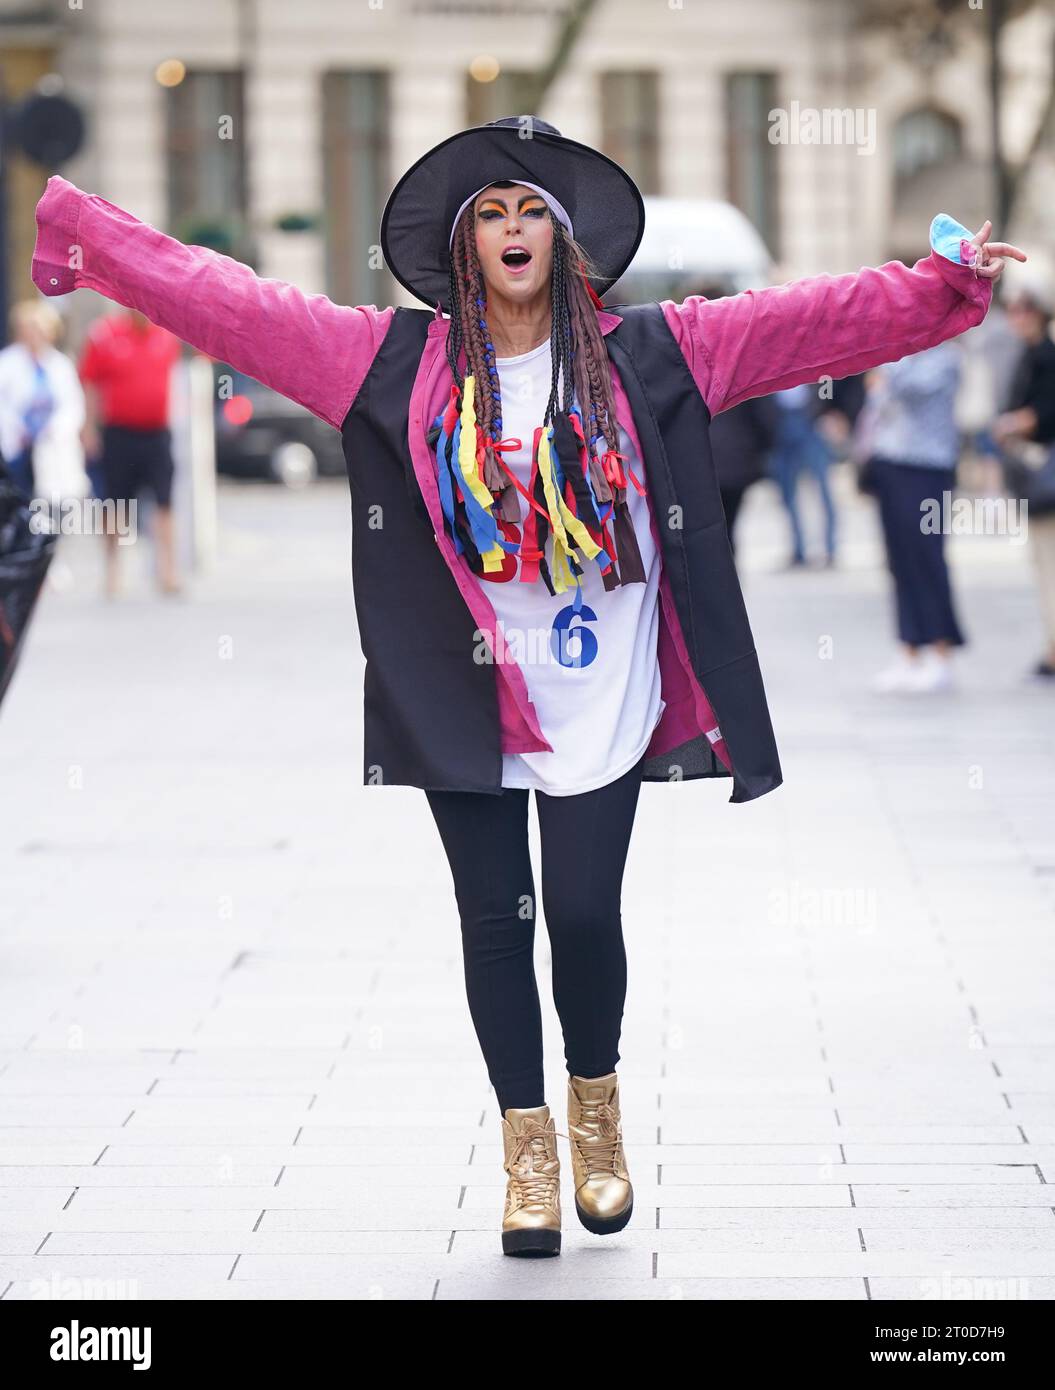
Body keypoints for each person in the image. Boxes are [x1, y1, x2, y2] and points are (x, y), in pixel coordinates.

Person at [29, 116, 1024, 1259]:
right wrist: (83, 231)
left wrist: (939, 280)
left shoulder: (655, 351)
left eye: (528, 211)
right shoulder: (390, 360)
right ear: (464, 247)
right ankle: (528, 1145)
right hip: (465, 690)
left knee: (586, 913)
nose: (511, 228)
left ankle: (593, 1098)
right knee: (495, 924)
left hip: (603, 693)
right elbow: (229, 303)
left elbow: (809, 322)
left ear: (559, 237)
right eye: (489, 213)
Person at [863, 342, 967, 694]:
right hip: (891, 464)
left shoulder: (944, 357)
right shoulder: (905, 354)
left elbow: (905, 389)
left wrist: (888, 362)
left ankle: (941, 652)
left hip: (928, 469)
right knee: (898, 561)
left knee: (928, 558)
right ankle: (908, 650)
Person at [78, 306, 183, 597]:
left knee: (164, 502)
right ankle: (112, 572)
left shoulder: (166, 335)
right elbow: (89, 382)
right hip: (120, 433)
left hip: (157, 433)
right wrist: (88, 428)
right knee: (115, 505)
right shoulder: (105, 334)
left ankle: (167, 570)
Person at [991, 282, 1055, 678]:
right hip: (1036, 475)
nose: (1017, 318)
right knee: (1041, 563)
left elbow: (1043, 411)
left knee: (1048, 564)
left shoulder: (1046, 356)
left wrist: (1015, 423)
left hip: (1047, 472)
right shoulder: (1027, 355)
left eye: (1024, 310)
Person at [0, 300, 85, 514]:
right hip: (17, 449)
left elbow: (73, 405)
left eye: (39, 329)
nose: (33, 335)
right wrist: (18, 429)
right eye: (28, 329)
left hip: (51, 449)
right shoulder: (7, 363)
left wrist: (53, 430)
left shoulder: (61, 365)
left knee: (52, 510)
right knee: (18, 506)